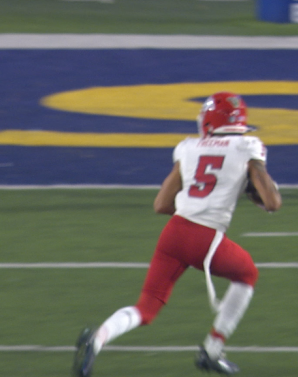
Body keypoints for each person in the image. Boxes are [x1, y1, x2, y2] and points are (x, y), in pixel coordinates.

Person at [72, 92, 281, 376]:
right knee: (247, 275)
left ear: (208, 122)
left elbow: (161, 204)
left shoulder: (189, 148)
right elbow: (272, 203)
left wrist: (193, 210)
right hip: (206, 237)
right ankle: (212, 350)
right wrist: (254, 175)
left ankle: (98, 338)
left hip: (174, 232)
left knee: (146, 307)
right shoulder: (248, 147)